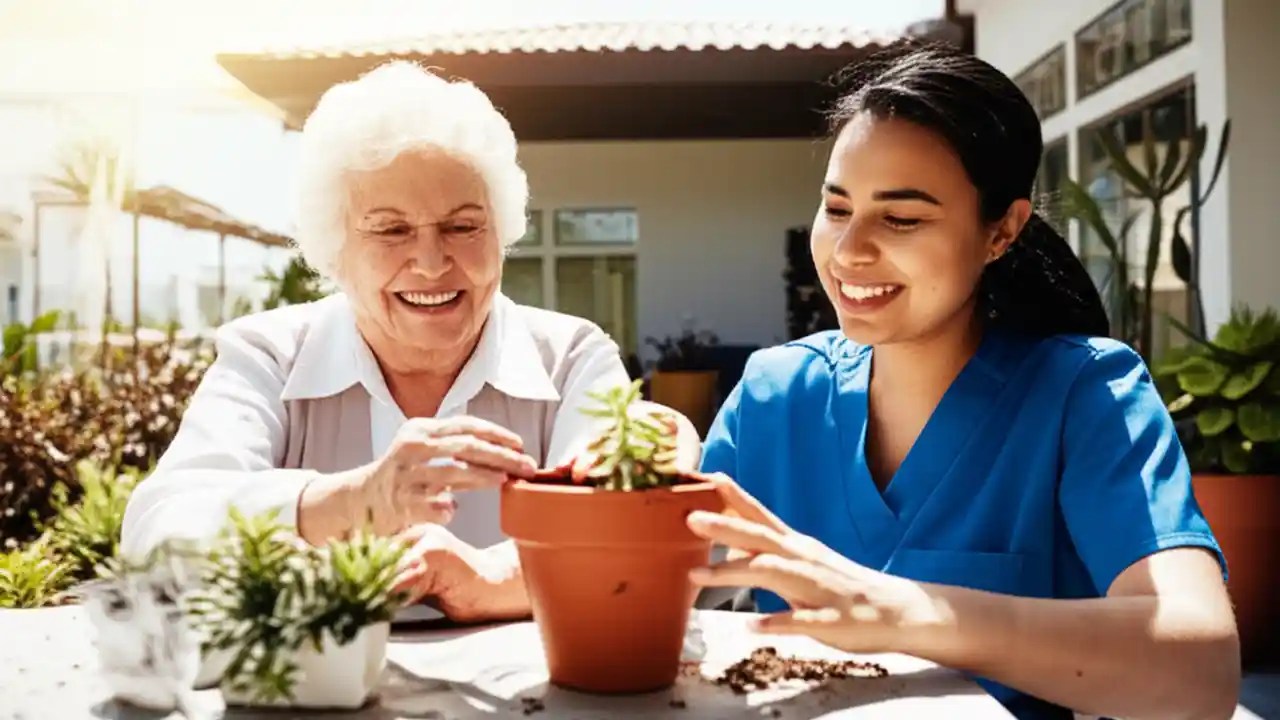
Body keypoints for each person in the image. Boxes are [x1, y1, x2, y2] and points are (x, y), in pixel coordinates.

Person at [687, 43, 1239, 720]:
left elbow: (1200, 671)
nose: (850, 249)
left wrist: (906, 610)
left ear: (1002, 231)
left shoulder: (1085, 395)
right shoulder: (775, 396)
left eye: (902, 217)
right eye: (837, 209)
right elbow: (627, 576)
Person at [120, 61, 698, 623]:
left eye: (462, 225)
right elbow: (157, 538)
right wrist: (349, 502)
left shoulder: (571, 357)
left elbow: (624, 535)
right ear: (334, 246)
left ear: (501, 233)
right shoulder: (269, 355)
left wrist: (487, 578)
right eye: (391, 230)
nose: (430, 262)